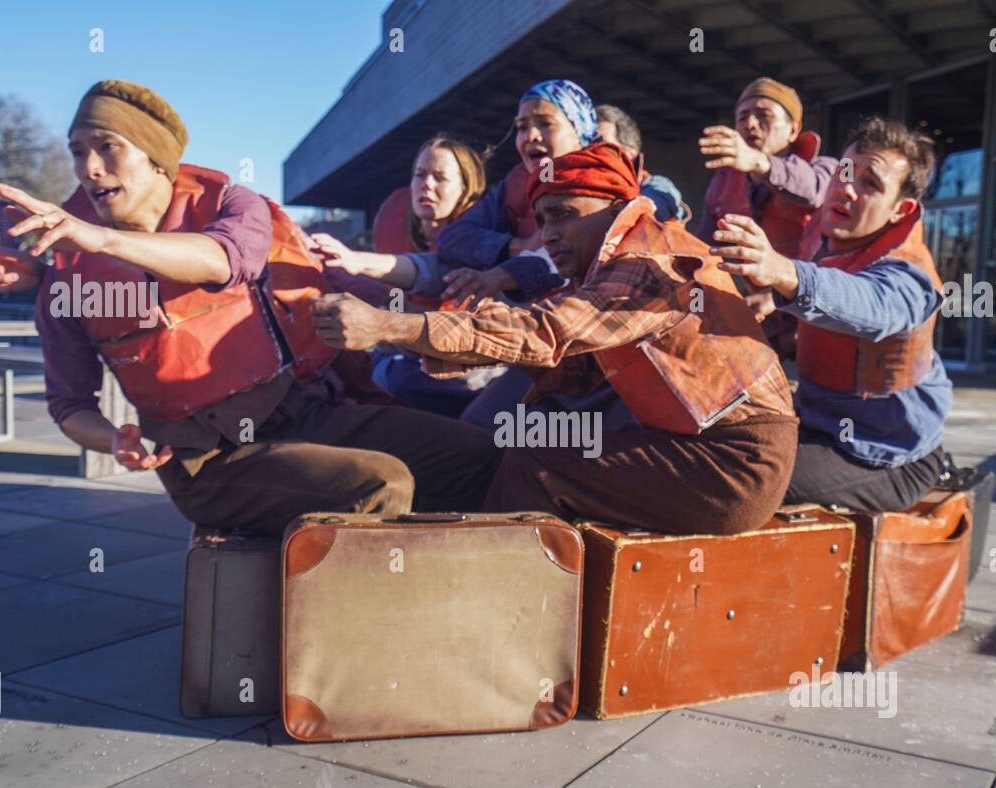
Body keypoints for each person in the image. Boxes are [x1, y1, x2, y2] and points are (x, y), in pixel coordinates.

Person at [0, 79, 499, 536]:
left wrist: (102, 240)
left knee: (472, 454)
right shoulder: (65, 268)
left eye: (108, 147)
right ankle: (353, 647)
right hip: (206, 460)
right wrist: (114, 439)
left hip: (301, 411)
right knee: (381, 483)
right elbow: (70, 405)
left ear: (157, 158)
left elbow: (226, 260)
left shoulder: (230, 203)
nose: (88, 168)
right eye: (76, 150)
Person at [312, 143, 799, 535]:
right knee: (518, 440)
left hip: (734, 464)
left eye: (564, 214)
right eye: (542, 219)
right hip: (702, 448)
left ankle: (488, 603)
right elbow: (570, 367)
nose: (548, 234)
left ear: (616, 209)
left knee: (535, 462)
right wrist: (455, 347)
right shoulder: (618, 263)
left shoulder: (646, 264)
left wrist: (388, 326)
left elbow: (542, 331)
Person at [713, 116, 952, 514]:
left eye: (870, 184)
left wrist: (781, 271)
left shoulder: (912, 275)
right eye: (844, 172)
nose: (846, 189)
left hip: (886, 456)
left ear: (900, 210)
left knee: (744, 474)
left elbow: (871, 305)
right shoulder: (830, 241)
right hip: (822, 422)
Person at [316, 136, 504, 417]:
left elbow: (433, 274)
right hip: (409, 359)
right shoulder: (402, 230)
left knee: (393, 377)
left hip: (473, 372)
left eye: (440, 177)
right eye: (420, 174)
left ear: (467, 189)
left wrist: (360, 274)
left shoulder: (484, 243)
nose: (426, 184)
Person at [434, 79, 598, 305]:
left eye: (545, 123)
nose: (530, 135)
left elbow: (563, 258)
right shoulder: (514, 185)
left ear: (580, 132)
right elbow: (452, 238)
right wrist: (517, 246)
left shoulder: (604, 188)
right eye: (522, 127)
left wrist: (499, 276)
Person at [696, 77, 835, 257]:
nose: (750, 124)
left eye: (764, 115)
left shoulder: (825, 169)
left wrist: (760, 163)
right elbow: (705, 246)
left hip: (805, 282)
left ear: (793, 130)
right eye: (742, 117)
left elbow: (814, 190)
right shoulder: (723, 181)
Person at [595, 104, 688, 223]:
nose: (590, 152)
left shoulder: (658, 187)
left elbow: (651, 209)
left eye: (601, 144)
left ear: (630, 153)